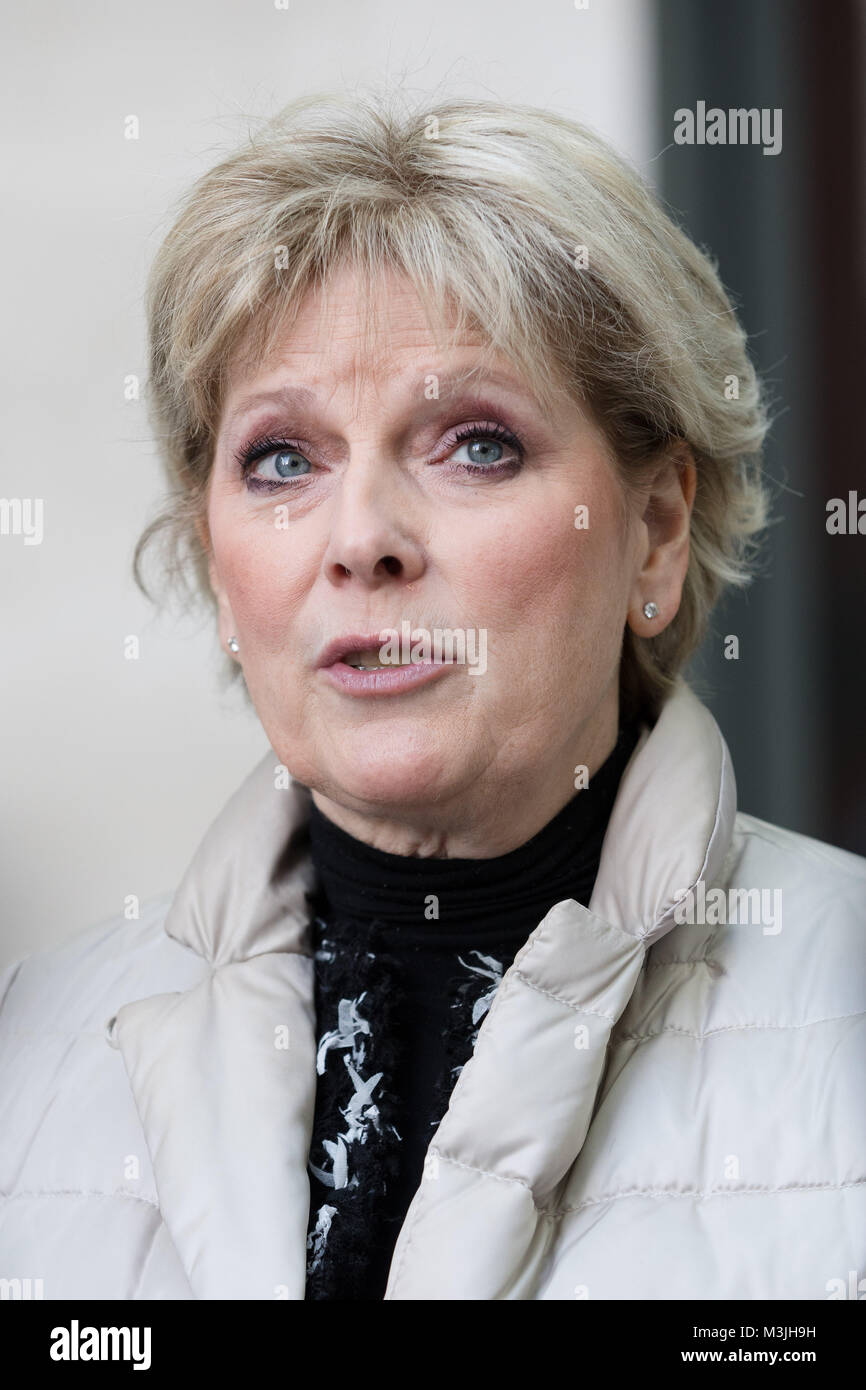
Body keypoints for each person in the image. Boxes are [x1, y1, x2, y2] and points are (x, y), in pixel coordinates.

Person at [1, 92, 864, 1301]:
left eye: (473, 443)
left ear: (655, 532)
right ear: (212, 550)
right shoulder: (25, 1045)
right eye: (282, 460)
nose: (360, 540)